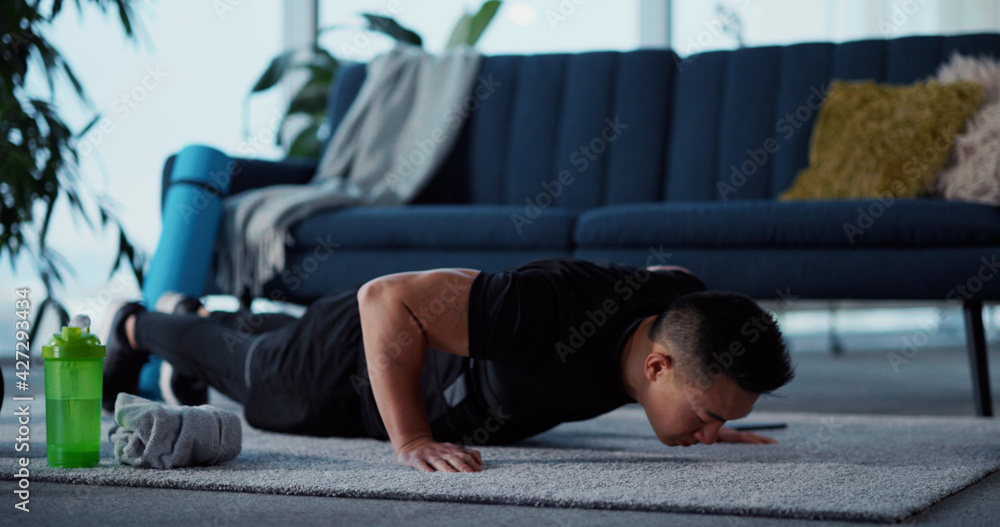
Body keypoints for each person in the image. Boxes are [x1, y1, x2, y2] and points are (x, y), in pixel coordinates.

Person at [102, 257, 794, 473]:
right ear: (657, 367)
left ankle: (199, 314)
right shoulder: (544, 311)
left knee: (261, 344)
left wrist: (705, 411)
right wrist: (411, 439)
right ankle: (135, 323)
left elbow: (667, 274)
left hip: (414, 351)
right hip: (351, 361)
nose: (709, 431)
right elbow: (384, 299)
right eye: (707, 415)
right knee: (256, 375)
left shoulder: (685, 310)